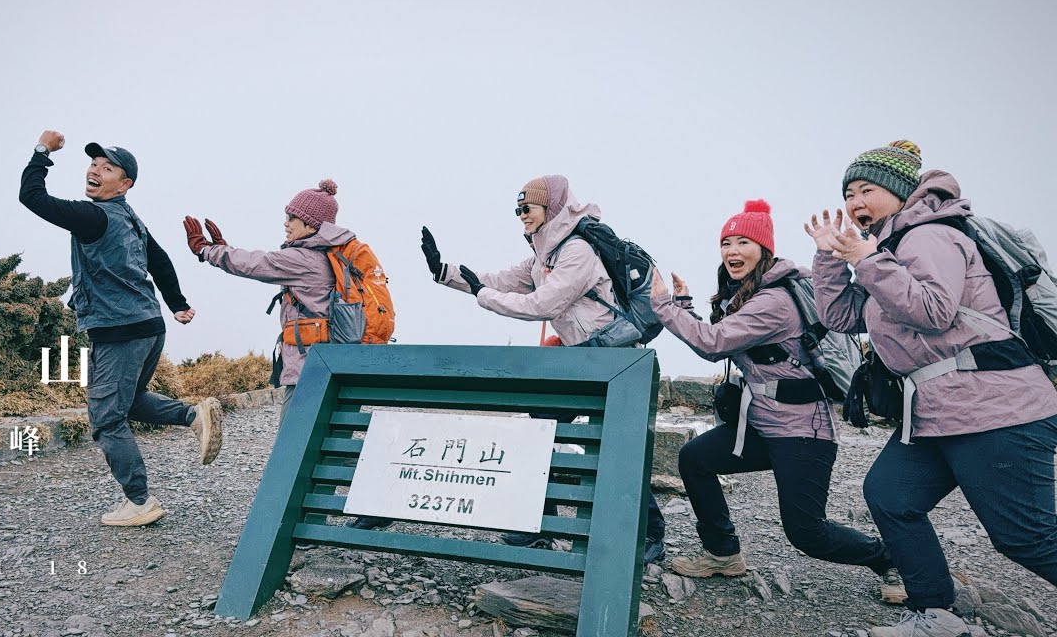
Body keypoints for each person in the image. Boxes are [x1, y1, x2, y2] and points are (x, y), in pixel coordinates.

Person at [807, 140, 1057, 637]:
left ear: (901, 192)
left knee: (1024, 537)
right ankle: (935, 612)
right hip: (937, 413)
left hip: (998, 407)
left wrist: (866, 258)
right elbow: (840, 316)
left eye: (867, 190)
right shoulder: (890, 248)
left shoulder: (930, 237)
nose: (856, 203)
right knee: (891, 495)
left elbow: (933, 311)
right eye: (849, 192)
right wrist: (833, 259)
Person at [650, 199, 904, 604]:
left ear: (764, 249)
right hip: (764, 424)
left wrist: (663, 306)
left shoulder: (773, 303)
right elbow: (725, 334)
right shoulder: (752, 293)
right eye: (726, 243)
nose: (732, 252)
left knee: (807, 532)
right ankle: (723, 554)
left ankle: (893, 559)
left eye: (743, 242)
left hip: (803, 431)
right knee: (695, 458)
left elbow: (712, 343)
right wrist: (684, 306)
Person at [422, 174, 666, 561]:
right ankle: (540, 525)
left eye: (527, 208)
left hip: (616, 360)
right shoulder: (544, 255)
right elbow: (499, 280)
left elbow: (542, 305)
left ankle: (651, 536)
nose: (521, 215)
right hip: (582, 359)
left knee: (617, 446)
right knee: (539, 428)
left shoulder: (577, 252)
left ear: (549, 209)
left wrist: (484, 298)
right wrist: (445, 271)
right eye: (518, 209)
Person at [18, 129, 223, 528]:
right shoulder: (128, 217)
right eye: (93, 163)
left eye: (107, 167)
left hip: (120, 331)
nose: (95, 169)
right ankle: (192, 417)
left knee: (107, 418)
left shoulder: (93, 216)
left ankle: (140, 501)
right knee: (130, 402)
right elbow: (160, 260)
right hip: (146, 326)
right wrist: (177, 304)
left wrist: (42, 151)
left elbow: (32, 197)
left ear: (124, 183)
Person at [185, 179, 389, 531]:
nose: (286, 223)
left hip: (311, 369)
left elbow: (255, 263)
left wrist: (208, 251)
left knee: (294, 444)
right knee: (329, 439)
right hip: (335, 363)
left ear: (312, 225)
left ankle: (311, 519)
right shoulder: (329, 256)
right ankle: (348, 508)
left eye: (292, 217)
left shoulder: (305, 259)